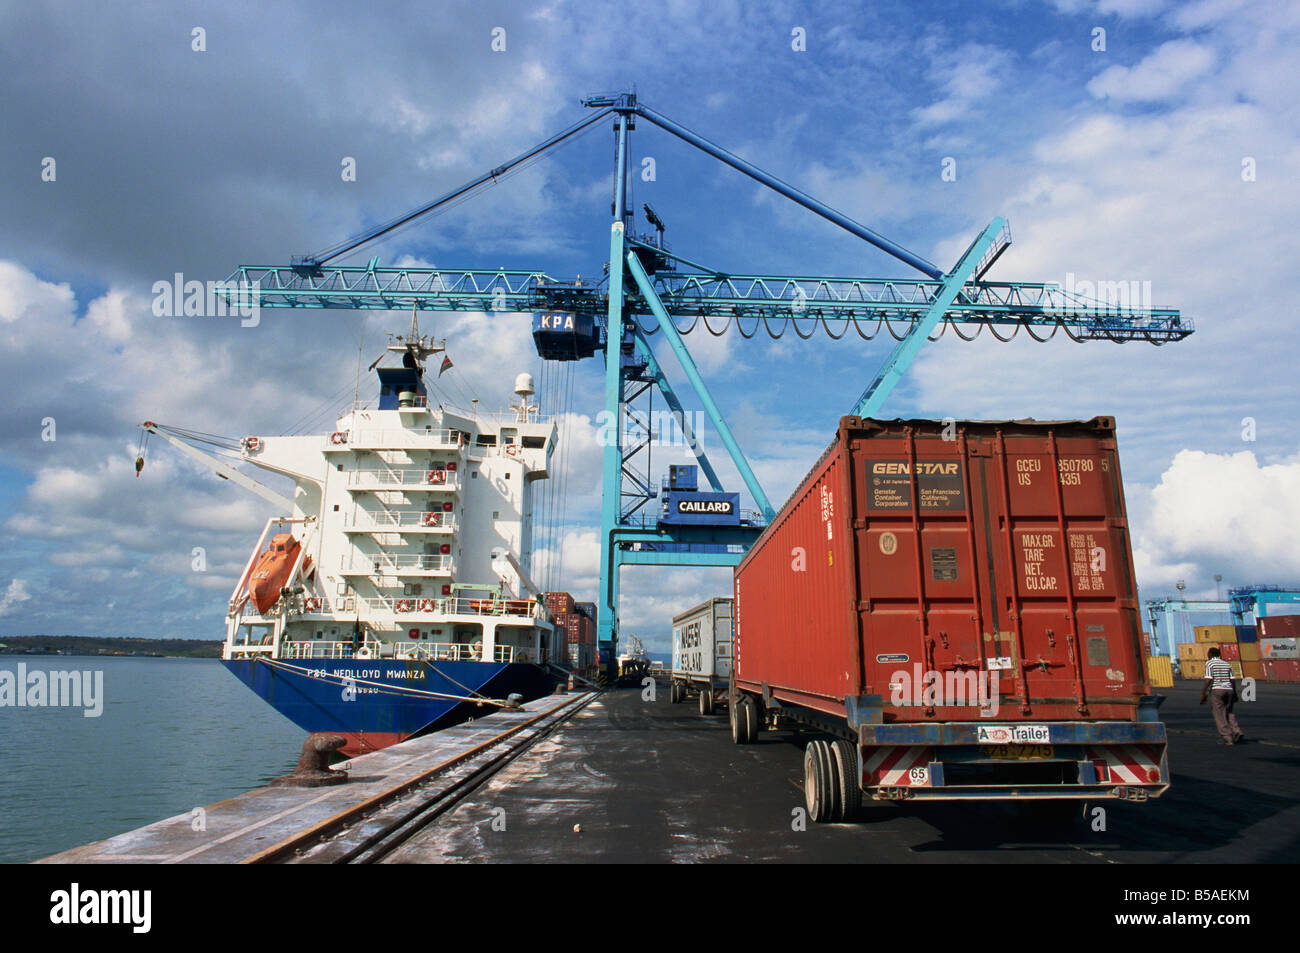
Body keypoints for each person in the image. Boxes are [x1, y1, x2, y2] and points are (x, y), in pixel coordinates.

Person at [1199, 647, 1244, 745]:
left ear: (1210, 654)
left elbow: (1209, 678)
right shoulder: (1226, 663)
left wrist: (1203, 692)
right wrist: (1235, 693)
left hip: (1217, 690)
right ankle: (1237, 731)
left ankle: (1227, 737)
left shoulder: (1209, 663)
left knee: (1219, 714)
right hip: (1229, 690)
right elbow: (1232, 679)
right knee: (1229, 712)